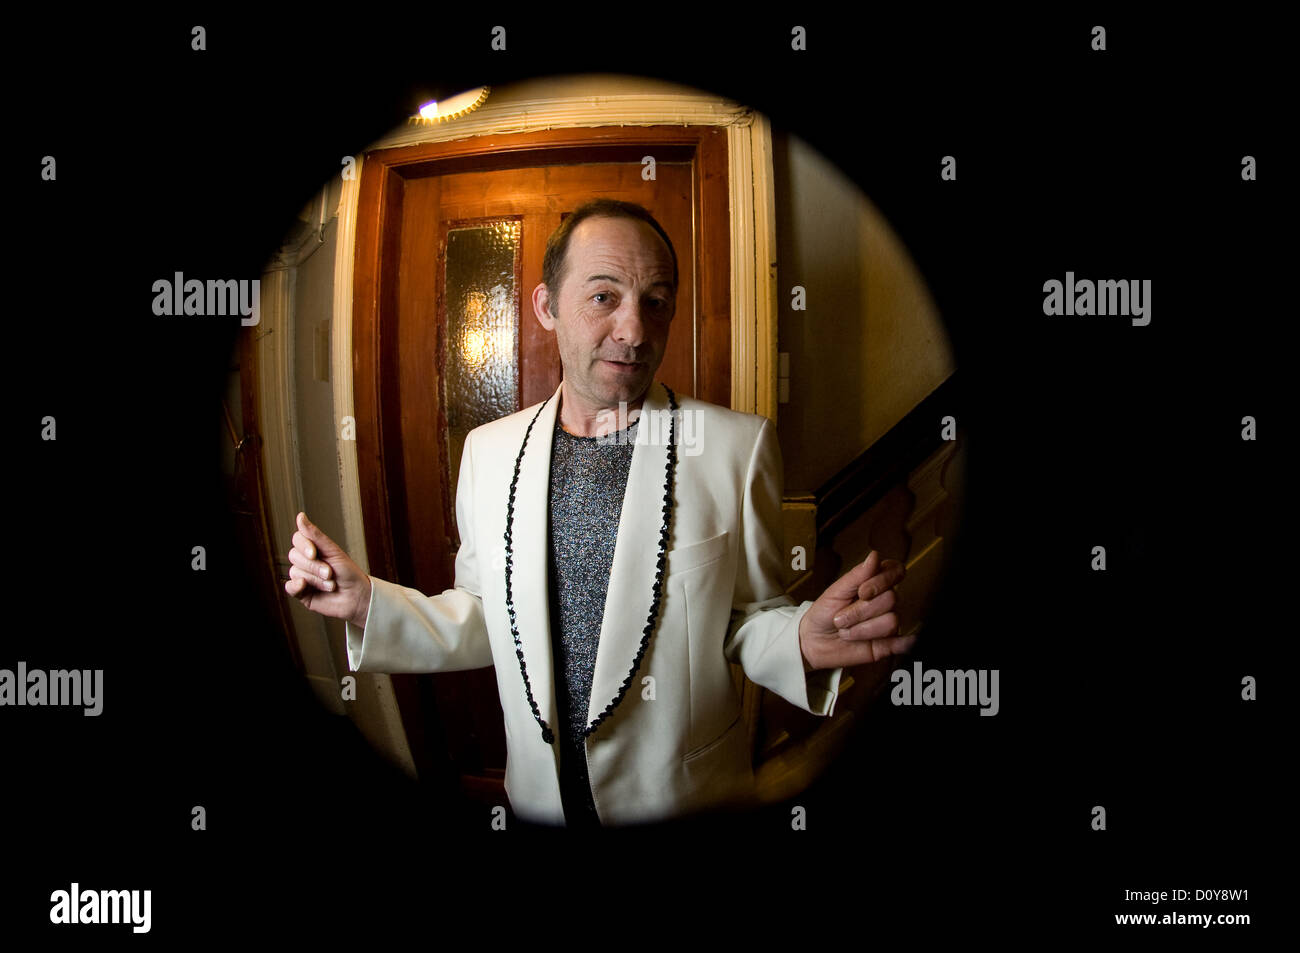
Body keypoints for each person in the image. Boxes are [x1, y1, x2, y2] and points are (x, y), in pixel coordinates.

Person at [285, 199, 912, 827]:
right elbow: (483, 616)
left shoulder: (736, 448)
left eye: (657, 301)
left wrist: (797, 638)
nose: (635, 331)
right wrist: (368, 603)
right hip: (539, 796)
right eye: (604, 297)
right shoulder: (488, 452)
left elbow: (745, 617)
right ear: (547, 307)